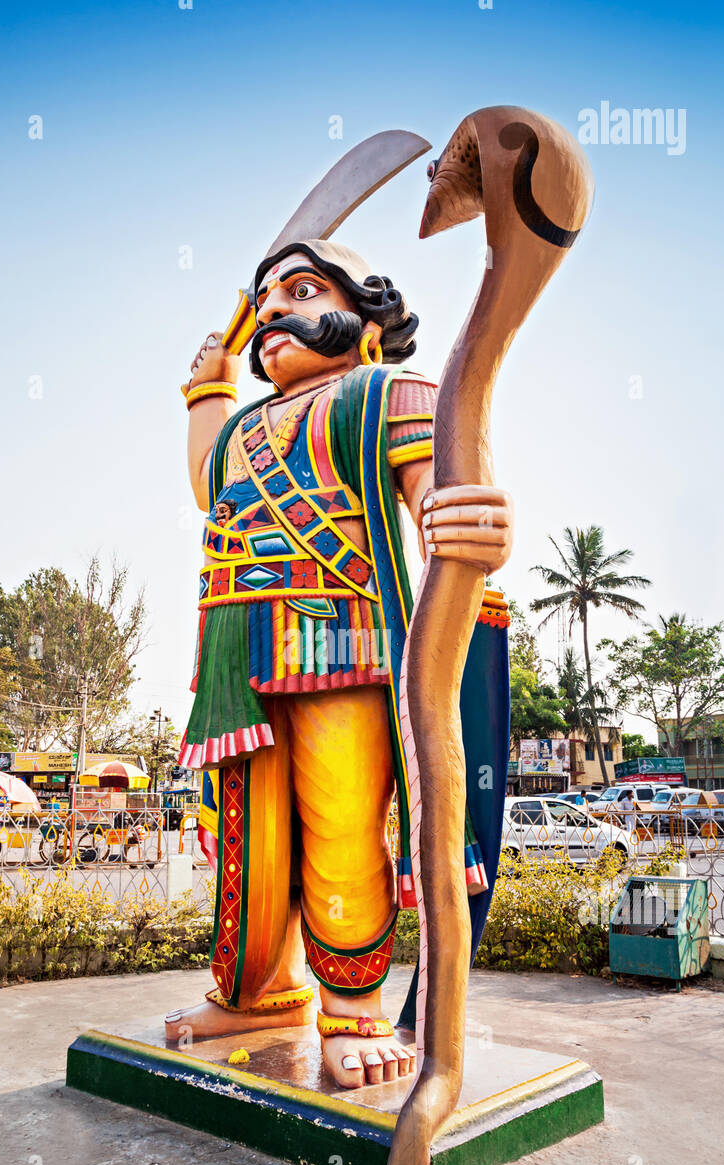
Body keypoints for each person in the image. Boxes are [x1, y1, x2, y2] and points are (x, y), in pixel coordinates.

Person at [165, 239, 514, 1089]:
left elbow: (444, 484)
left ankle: (353, 1009)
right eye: (265, 298)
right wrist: (208, 389)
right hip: (237, 654)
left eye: (304, 288)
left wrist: (470, 521)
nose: (276, 310)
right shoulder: (248, 423)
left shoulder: (390, 391)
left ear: (366, 315)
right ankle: (259, 993)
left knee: (342, 823)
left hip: (344, 643)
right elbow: (213, 486)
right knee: (254, 841)